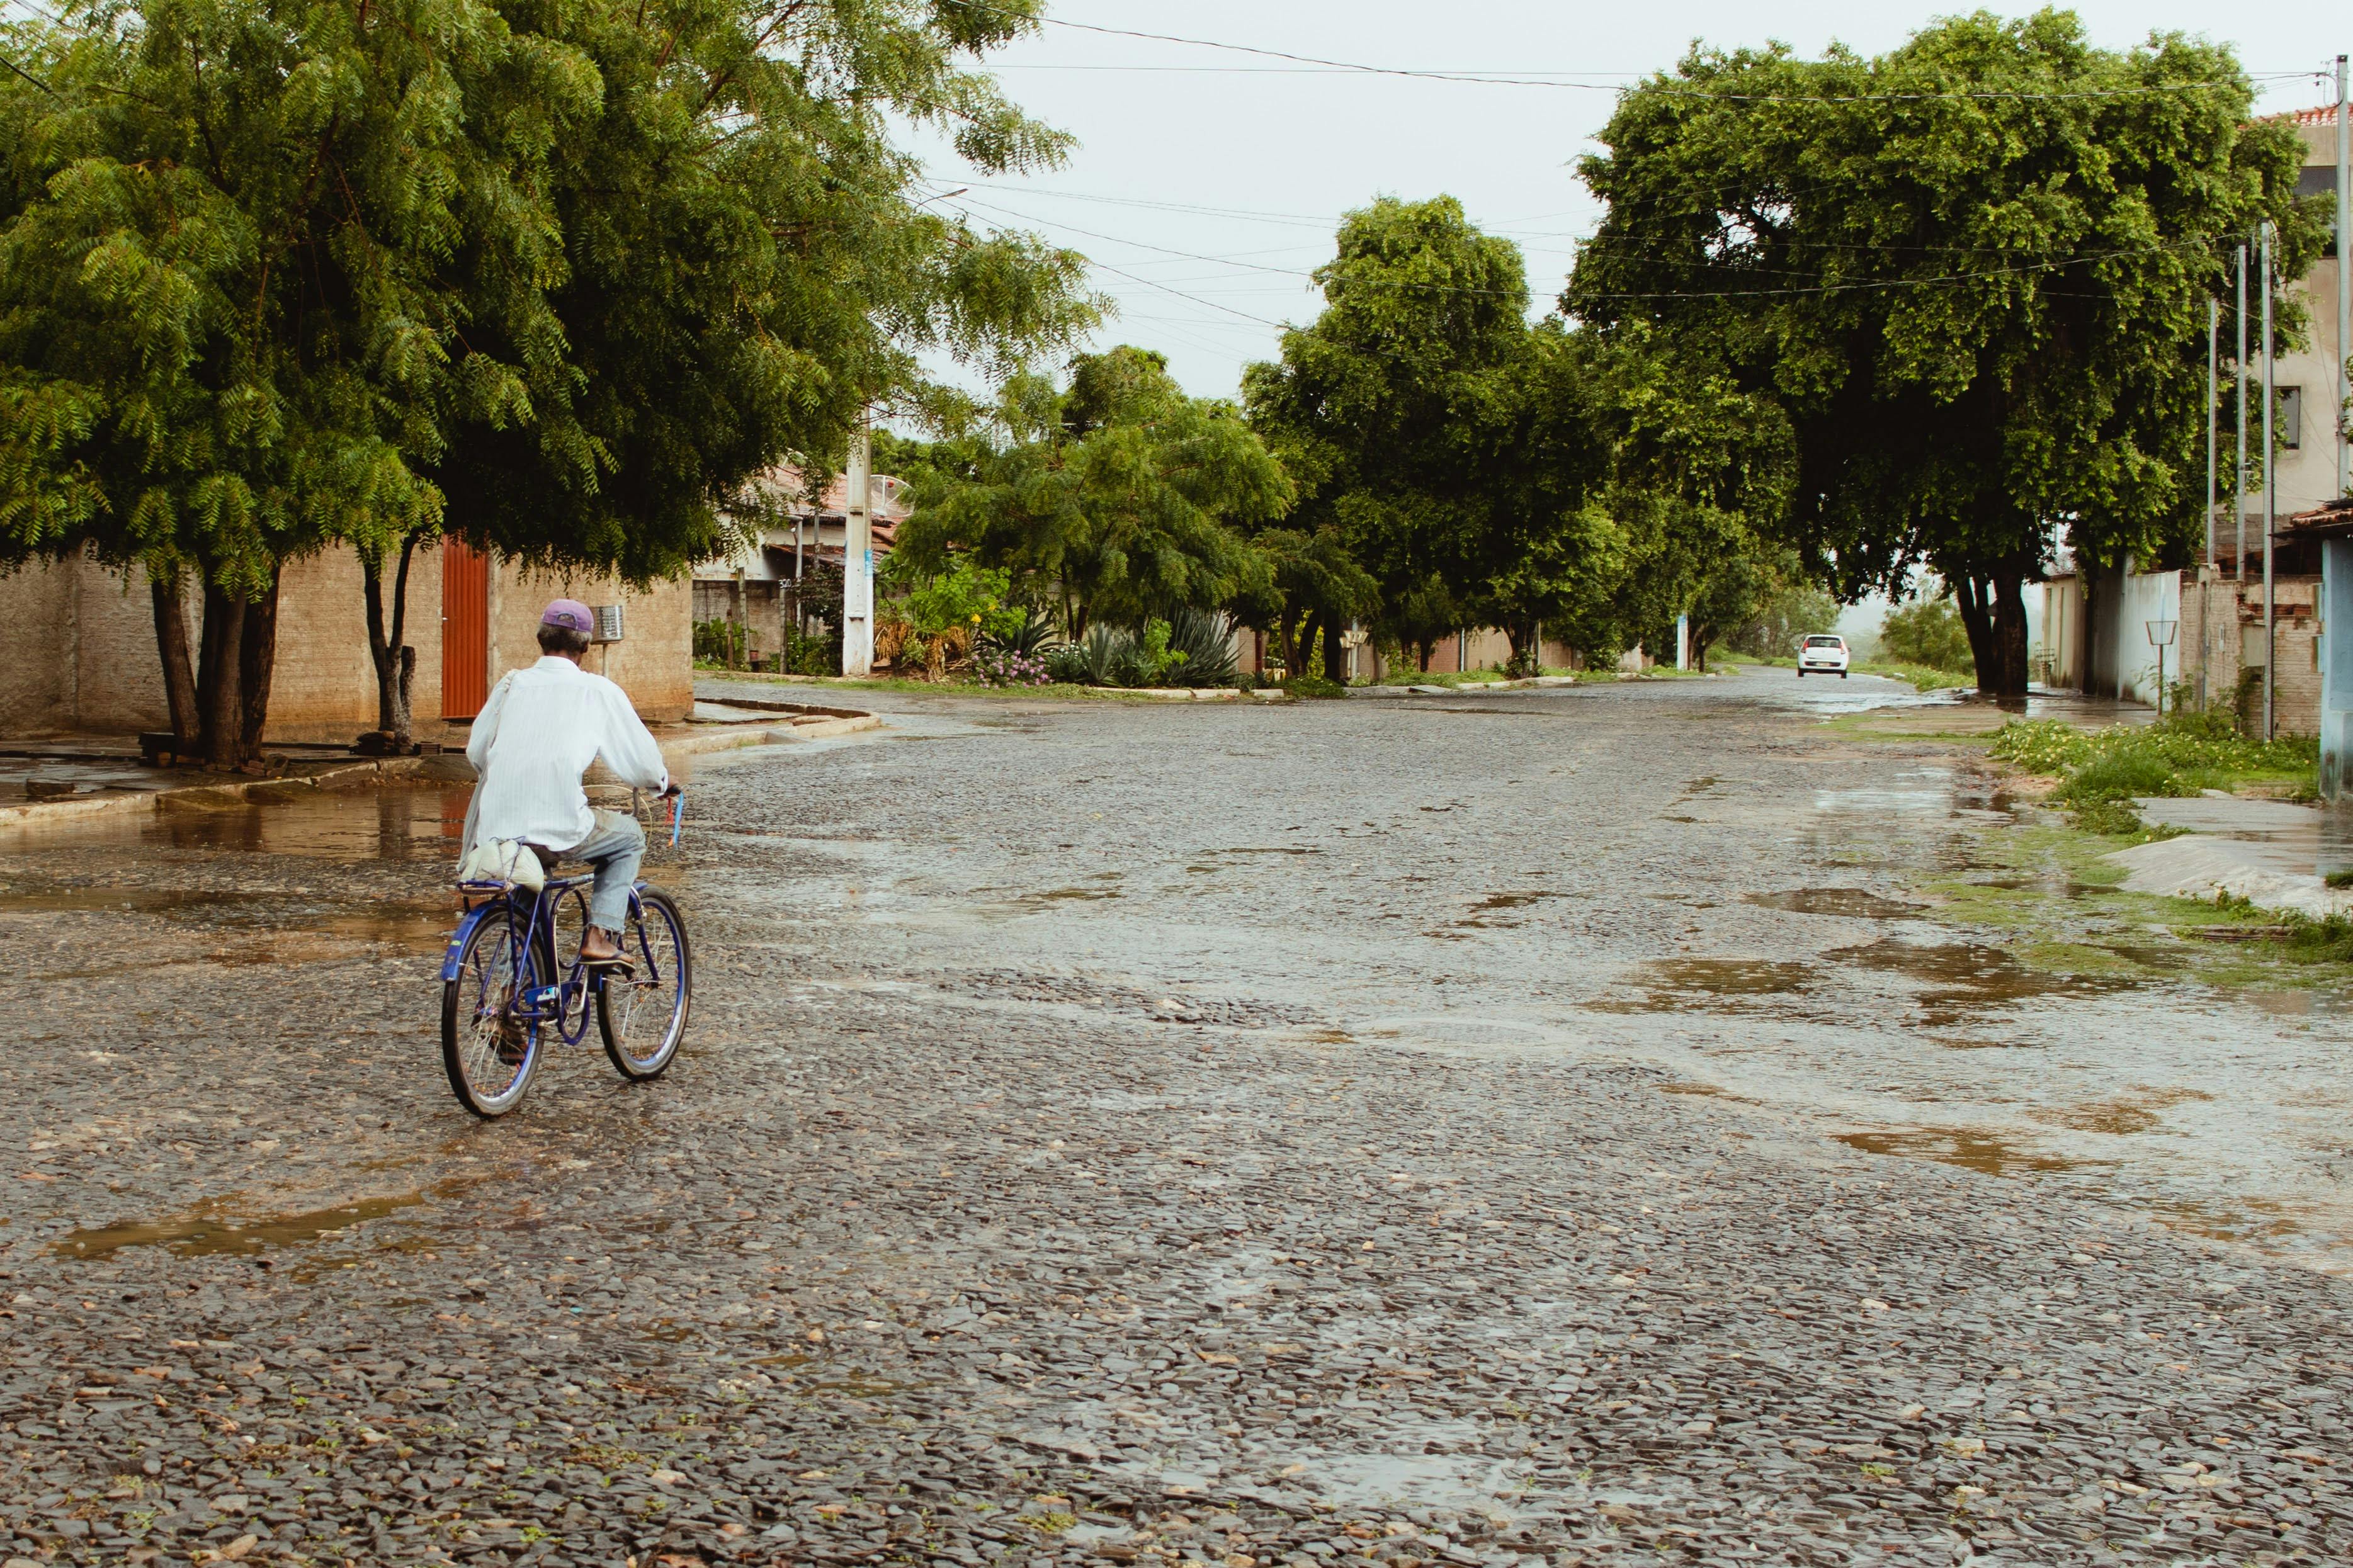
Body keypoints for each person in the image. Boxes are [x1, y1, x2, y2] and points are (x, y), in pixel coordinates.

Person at [462, 599, 674, 967]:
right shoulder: (596, 690)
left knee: (530, 891)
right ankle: (600, 935)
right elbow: (641, 762)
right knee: (629, 838)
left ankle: (528, 998)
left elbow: (477, 753)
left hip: (498, 828)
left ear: (540, 640)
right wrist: (662, 783)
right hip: (558, 824)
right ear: (586, 648)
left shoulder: (511, 685)